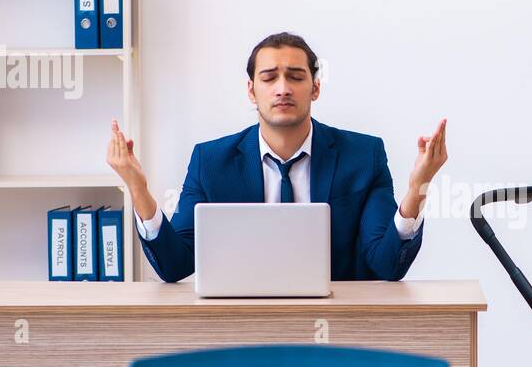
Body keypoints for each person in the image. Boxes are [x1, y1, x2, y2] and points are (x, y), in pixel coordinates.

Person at [105, 32, 447, 282]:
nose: (283, 88)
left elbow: (387, 265)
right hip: (244, 331)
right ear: (251, 90)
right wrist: (138, 188)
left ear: (315, 87)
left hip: (340, 331)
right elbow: (174, 265)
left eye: (296, 77)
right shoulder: (211, 162)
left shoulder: (363, 156)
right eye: (269, 78)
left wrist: (418, 186)